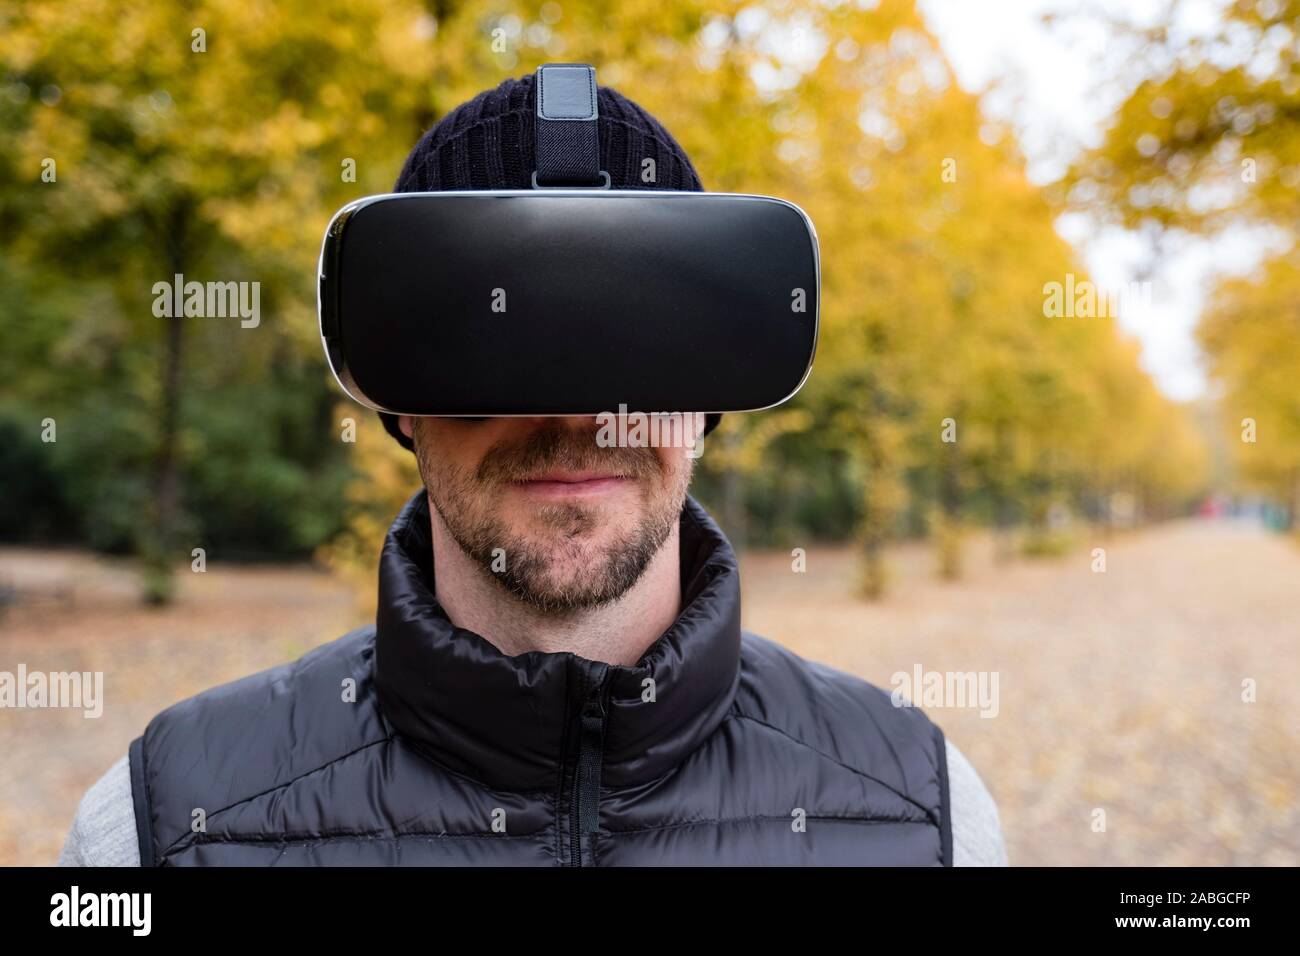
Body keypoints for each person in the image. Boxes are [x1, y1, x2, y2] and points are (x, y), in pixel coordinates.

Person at [58, 72, 1007, 867]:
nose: (575, 416)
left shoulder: (926, 821)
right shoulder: (161, 829)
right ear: (401, 403)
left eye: (637, 345)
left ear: (707, 401)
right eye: (489, 346)